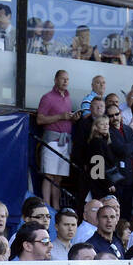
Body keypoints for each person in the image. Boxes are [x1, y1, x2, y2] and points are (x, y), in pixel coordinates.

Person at [37, 70, 79, 210]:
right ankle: (46, 206)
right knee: (49, 175)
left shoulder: (68, 98)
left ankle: (56, 206)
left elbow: (65, 117)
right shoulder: (47, 97)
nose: (65, 81)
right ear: (55, 80)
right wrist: (60, 117)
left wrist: (72, 118)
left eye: (67, 79)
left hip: (66, 140)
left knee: (59, 177)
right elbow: (40, 119)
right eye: (62, 79)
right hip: (52, 139)